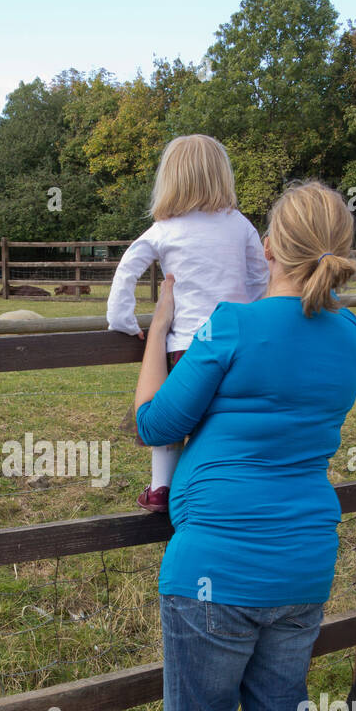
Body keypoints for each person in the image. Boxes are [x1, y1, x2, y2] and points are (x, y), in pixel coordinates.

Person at [133, 180, 356, 711]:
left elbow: (156, 421)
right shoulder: (349, 336)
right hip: (301, 568)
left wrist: (158, 326)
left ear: (268, 246)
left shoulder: (232, 325)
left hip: (215, 572)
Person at [106, 134, 269, 514]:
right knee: (223, 418)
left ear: (171, 178)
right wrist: (252, 307)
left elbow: (126, 269)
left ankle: (161, 487)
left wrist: (122, 319)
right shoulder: (240, 224)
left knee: (167, 413)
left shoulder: (165, 228)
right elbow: (261, 275)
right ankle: (224, 482)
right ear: (221, 175)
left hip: (184, 348)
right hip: (237, 346)